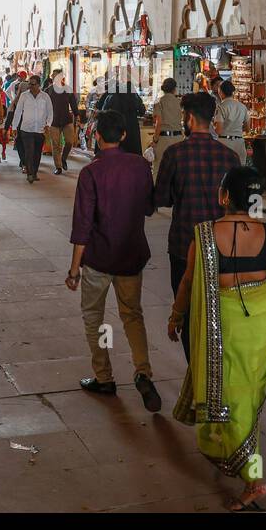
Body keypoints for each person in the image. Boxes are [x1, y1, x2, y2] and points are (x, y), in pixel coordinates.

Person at [169, 166, 266, 512]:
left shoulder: (204, 234)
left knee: (231, 399)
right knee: (246, 394)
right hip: (261, 319)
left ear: (224, 196)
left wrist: (176, 317)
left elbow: (189, 282)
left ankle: (254, 478)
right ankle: (237, 457)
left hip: (224, 320)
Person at [66, 110, 161, 411]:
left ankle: (104, 377)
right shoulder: (140, 166)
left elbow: (82, 225)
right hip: (131, 255)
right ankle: (143, 371)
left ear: (96, 136)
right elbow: (148, 208)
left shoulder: (91, 173)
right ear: (123, 135)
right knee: (133, 315)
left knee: (93, 317)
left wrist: (73, 269)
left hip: (97, 258)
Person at [154, 92, 240, 361]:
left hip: (184, 244)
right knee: (219, 311)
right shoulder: (230, 158)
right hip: (223, 246)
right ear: (212, 117)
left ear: (189, 118)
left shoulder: (175, 154)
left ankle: (197, 375)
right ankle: (216, 370)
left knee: (188, 314)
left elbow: (161, 199)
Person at [13, 75, 54, 183]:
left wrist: (48, 124)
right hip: (26, 129)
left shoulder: (45, 97)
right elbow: (18, 112)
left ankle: (34, 172)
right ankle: (30, 173)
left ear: (39, 85)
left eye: (33, 84)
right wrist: (14, 126)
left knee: (37, 153)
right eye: (29, 84)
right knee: (29, 151)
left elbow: (50, 112)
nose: (30, 86)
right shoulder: (24, 96)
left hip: (40, 130)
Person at [98, 75, 145, 155]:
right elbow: (142, 111)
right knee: (132, 156)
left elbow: (101, 109)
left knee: (115, 155)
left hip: (116, 129)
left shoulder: (111, 94)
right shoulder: (133, 95)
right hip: (132, 130)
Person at [149, 77, 184, 180]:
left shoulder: (159, 103)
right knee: (176, 169)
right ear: (174, 89)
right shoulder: (180, 103)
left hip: (163, 140)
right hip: (178, 138)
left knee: (159, 168)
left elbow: (158, 123)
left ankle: (157, 193)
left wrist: (155, 140)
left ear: (163, 88)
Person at [46, 71, 78, 175]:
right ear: (52, 77)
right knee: (56, 145)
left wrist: (77, 115)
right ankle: (58, 167)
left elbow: (73, 104)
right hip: (53, 121)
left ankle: (63, 158)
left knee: (69, 141)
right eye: (54, 76)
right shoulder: (48, 91)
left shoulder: (68, 89)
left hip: (66, 120)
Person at [212, 78, 250, 164]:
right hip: (239, 143)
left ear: (220, 92)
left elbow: (219, 130)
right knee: (239, 173)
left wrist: (212, 128)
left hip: (225, 144)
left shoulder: (221, 107)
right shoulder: (242, 106)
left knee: (226, 173)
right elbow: (248, 128)